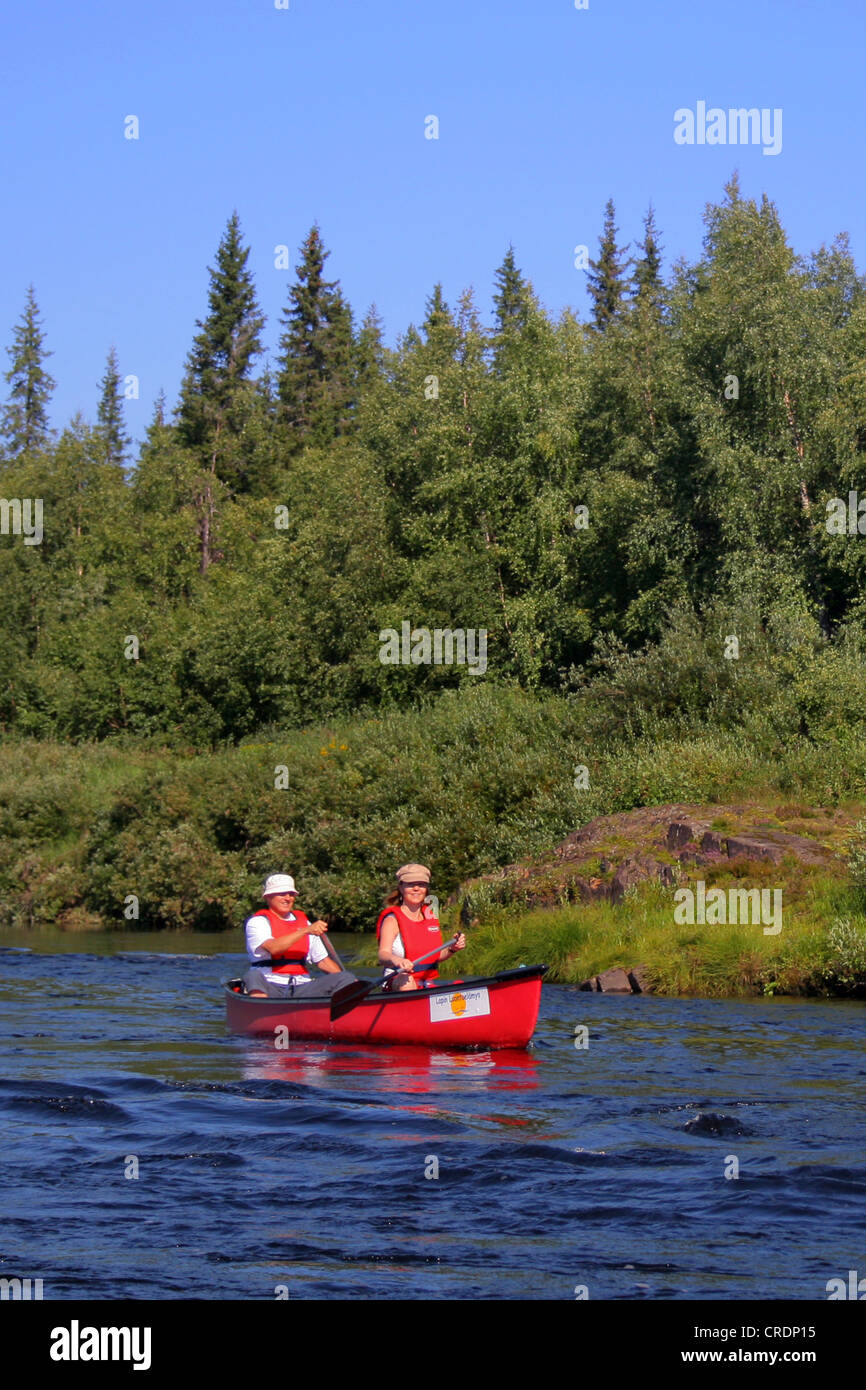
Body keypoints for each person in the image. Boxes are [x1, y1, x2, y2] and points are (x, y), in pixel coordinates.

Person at [243, 874, 356, 998]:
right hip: (270, 984)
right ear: (268, 897)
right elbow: (273, 948)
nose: (287, 898)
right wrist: (304, 931)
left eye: (291, 894)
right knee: (252, 976)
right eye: (282, 894)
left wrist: (351, 984)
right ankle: (262, 1009)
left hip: (301, 986)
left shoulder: (305, 923)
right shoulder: (258, 922)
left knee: (346, 978)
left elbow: (323, 962)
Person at [376, 863, 466, 991]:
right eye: (410, 884)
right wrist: (396, 960)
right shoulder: (392, 920)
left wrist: (452, 949)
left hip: (425, 984)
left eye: (421, 884)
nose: (416, 888)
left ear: (426, 889)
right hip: (398, 981)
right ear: (401, 887)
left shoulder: (430, 917)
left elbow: (437, 956)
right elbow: (383, 954)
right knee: (406, 982)